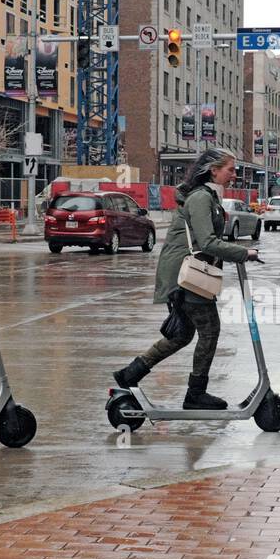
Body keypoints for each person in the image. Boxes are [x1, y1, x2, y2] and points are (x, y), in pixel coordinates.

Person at [112, 148, 258, 408]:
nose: (234, 175)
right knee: (210, 331)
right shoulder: (200, 198)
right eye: (230, 170)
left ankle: (130, 374)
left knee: (181, 335)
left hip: (186, 274)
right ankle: (195, 395)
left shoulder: (206, 196)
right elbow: (208, 242)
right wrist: (243, 253)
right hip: (186, 277)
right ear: (214, 170)